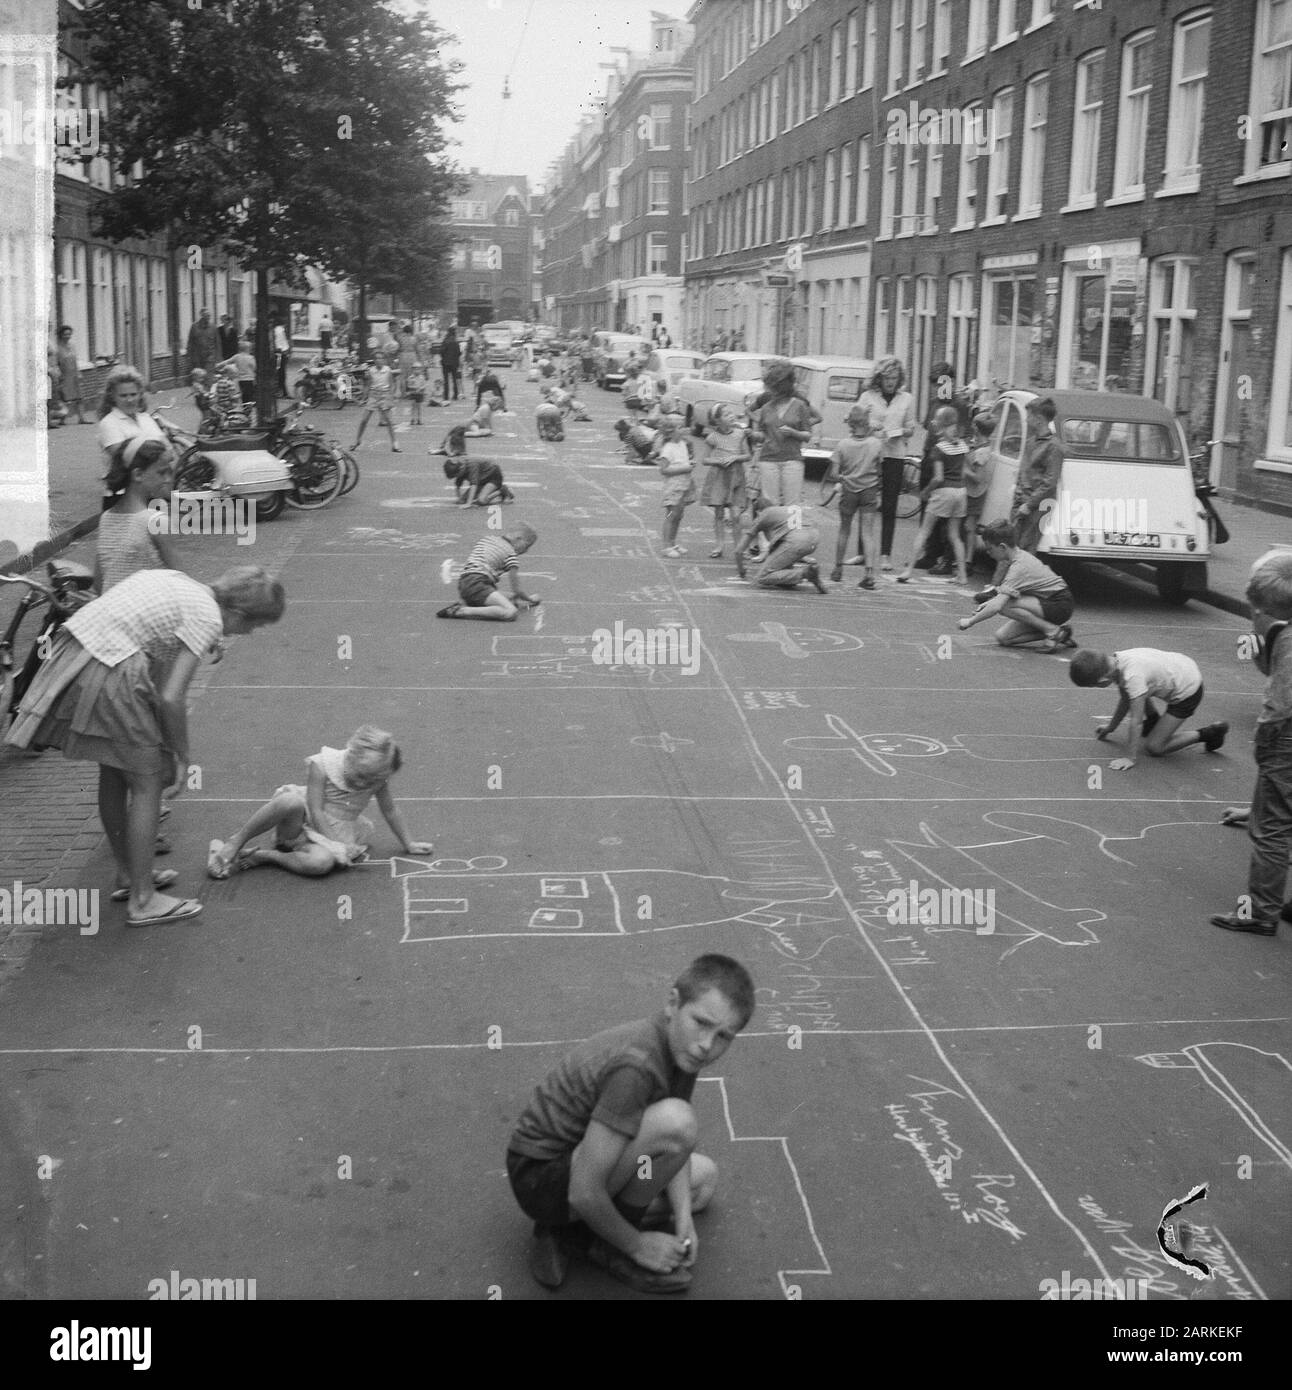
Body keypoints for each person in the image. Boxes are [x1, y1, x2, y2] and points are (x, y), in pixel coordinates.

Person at [3, 566, 285, 926]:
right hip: (112, 669)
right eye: (254, 625)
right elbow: (171, 698)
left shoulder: (188, 584)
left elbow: (157, 623)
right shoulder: (208, 618)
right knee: (148, 782)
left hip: (82, 654)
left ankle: (128, 875)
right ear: (240, 613)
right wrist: (182, 754)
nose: (248, 633)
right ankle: (143, 899)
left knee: (115, 771)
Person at [506, 954, 755, 1294]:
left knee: (702, 1184)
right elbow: (583, 1190)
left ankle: (580, 1232)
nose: (707, 1045)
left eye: (724, 1036)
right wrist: (638, 1245)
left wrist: (683, 1221)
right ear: (672, 1004)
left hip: (600, 1159)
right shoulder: (636, 1067)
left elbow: (672, 1152)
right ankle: (604, 1241)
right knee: (677, 1123)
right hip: (544, 1179)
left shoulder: (681, 1049)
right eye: (701, 1022)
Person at [206, 725, 432, 879]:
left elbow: (390, 811)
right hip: (301, 822)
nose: (365, 784)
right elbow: (314, 810)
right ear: (350, 754)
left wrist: (408, 843)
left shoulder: (376, 779)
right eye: (362, 776)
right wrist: (335, 845)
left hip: (328, 835)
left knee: (321, 864)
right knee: (290, 801)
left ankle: (264, 856)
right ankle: (236, 842)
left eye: (373, 780)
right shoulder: (323, 764)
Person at [1211, 551, 1292, 935]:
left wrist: (1265, 740)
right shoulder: (1280, 632)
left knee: (1272, 829)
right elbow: (1267, 665)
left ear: (1263, 610)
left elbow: (1281, 703)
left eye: (1253, 610)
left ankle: (1261, 913)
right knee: (1274, 811)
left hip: (1286, 734)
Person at [1068, 646, 1228, 771]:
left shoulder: (1132, 676)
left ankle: (1209, 733)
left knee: (1155, 747)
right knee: (1135, 694)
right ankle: (1153, 721)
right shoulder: (1118, 660)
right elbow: (1126, 698)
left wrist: (1130, 758)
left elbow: (1136, 721)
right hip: (1181, 667)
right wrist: (1111, 728)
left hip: (1188, 691)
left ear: (1102, 681)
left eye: (1094, 685)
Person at [958, 519, 1076, 652]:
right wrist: (989, 603)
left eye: (990, 549)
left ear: (1002, 547)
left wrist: (970, 621)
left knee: (1004, 605)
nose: (988, 553)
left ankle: (1052, 631)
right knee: (1003, 638)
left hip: (1059, 602)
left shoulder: (1019, 566)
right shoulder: (1017, 558)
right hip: (1047, 602)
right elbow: (1008, 595)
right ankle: (1061, 632)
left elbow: (998, 605)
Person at [96, 438, 182, 592]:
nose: (167, 479)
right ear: (138, 474)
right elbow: (182, 581)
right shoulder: (155, 521)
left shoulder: (106, 517)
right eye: (161, 472)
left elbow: (98, 583)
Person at [897, 406, 969, 586]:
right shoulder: (963, 446)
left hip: (943, 492)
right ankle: (962, 574)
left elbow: (938, 477)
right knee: (955, 535)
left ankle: (909, 570)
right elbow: (965, 472)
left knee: (924, 531)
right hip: (961, 492)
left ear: (940, 427)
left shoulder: (938, 449)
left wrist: (926, 491)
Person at [857, 357, 917, 572]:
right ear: (879, 378)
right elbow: (856, 421)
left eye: (894, 378)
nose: (891, 382)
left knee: (890, 504)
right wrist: (870, 424)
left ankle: (885, 555)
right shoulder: (867, 396)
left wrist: (899, 431)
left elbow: (911, 427)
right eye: (887, 378)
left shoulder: (906, 399)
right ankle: (861, 552)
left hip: (895, 453)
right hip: (871, 452)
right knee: (866, 500)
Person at [825, 404, 882, 587]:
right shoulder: (875, 444)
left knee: (844, 529)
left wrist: (843, 477)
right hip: (869, 489)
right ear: (867, 423)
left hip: (849, 489)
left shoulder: (842, 445)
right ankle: (869, 574)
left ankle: (838, 568)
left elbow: (833, 474)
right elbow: (880, 469)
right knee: (868, 532)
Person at [749, 360, 818, 507]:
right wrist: (753, 435)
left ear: (785, 387)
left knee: (793, 504)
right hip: (768, 459)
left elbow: (807, 435)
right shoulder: (766, 407)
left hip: (792, 459)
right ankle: (773, 530)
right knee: (769, 503)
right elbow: (763, 434)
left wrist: (794, 433)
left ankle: (794, 530)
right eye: (771, 388)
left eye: (775, 389)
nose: (771, 393)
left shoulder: (800, 406)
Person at [437, 523, 539, 621]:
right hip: (478, 584)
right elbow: (517, 590)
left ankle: (468, 603)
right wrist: (529, 599)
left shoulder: (488, 539)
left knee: (512, 598)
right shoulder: (511, 556)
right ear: (519, 538)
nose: (526, 551)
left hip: (464, 583)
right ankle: (464, 610)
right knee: (511, 612)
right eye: (527, 545)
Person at [97, 367, 169, 496]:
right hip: (123, 493)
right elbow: (125, 459)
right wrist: (157, 451)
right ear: (112, 397)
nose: (129, 400)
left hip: (154, 490)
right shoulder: (109, 423)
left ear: (140, 394)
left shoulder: (146, 418)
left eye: (133, 394)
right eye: (123, 395)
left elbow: (169, 452)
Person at [735, 499, 827, 592]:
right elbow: (775, 544)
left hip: (796, 541)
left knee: (763, 577)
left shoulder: (765, 514)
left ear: (758, 512)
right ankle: (797, 576)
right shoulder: (783, 511)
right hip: (813, 538)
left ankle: (806, 573)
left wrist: (741, 570)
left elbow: (738, 551)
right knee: (781, 574)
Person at [1012, 397, 1064, 553]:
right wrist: (1019, 496)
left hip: (1038, 505)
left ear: (1039, 419)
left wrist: (1029, 504)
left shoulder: (1054, 447)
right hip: (1022, 500)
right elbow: (1024, 471)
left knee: (1026, 548)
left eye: (1029, 416)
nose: (1027, 420)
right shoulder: (1030, 442)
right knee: (1013, 546)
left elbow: (1050, 482)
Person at [698, 404, 749, 560]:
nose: (731, 416)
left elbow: (748, 456)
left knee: (735, 514)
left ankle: (739, 547)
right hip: (719, 476)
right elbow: (705, 460)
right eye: (726, 415)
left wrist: (734, 457)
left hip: (736, 477)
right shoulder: (712, 437)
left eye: (731, 413)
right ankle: (719, 545)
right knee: (719, 513)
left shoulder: (740, 434)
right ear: (717, 420)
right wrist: (719, 461)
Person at [653, 414, 696, 559]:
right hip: (673, 487)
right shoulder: (668, 448)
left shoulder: (682, 444)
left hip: (684, 484)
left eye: (684, 426)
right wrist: (685, 468)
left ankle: (672, 542)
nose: (684, 429)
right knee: (671, 515)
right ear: (670, 431)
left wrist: (689, 464)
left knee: (679, 515)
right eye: (680, 427)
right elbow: (663, 470)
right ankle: (666, 546)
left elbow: (684, 460)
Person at [961, 412, 996, 569]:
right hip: (972, 491)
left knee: (969, 527)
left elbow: (978, 477)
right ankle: (966, 558)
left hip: (975, 492)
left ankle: (968, 560)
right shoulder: (980, 446)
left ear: (976, 427)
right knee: (968, 526)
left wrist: (964, 469)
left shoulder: (982, 453)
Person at [349, 351, 401, 452]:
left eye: (381, 358)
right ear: (374, 360)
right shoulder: (371, 371)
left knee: (389, 421)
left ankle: (395, 444)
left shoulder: (388, 370)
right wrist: (363, 399)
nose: (379, 360)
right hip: (373, 395)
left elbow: (392, 384)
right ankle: (357, 441)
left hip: (384, 395)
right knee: (364, 420)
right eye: (376, 358)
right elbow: (368, 385)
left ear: (384, 360)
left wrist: (391, 396)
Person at [55, 326, 87, 424]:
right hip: (64, 374)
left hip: (74, 374)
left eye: (69, 334)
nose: (68, 336)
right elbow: (56, 363)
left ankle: (82, 418)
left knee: (80, 397)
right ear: (60, 335)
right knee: (65, 398)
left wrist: (78, 372)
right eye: (65, 334)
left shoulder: (72, 345)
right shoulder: (57, 348)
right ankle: (62, 419)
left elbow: (75, 360)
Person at [209, 361, 249, 431]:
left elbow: (218, 393)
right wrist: (239, 395)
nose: (236, 376)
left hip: (220, 402)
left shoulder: (219, 381)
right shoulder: (230, 383)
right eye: (234, 374)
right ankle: (226, 427)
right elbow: (231, 397)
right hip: (228, 403)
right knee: (244, 410)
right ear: (229, 374)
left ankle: (222, 424)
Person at [221, 341, 258, 409]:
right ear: (248, 349)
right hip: (249, 379)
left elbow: (227, 361)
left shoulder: (237, 356)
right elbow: (255, 367)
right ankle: (248, 410)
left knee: (243, 395)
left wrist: (218, 365)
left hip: (240, 380)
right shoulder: (251, 358)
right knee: (249, 396)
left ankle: (244, 408)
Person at [186, 310, 218, 375]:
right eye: (207, 316)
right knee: (199, 375)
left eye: (209, 316)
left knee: (209, 375)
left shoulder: (213, 327)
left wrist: (217, 357)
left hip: (209, 356)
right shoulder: (194, 326)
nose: (208, 318)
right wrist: (189, 355)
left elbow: (217, 343)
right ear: (202, 316)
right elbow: (190, 342)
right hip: (197, 356)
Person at [439, 327, 462, 400]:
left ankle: (446, 396)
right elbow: (459, 353)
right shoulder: (456, 341)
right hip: (454, 363)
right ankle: (455, 395)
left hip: (445, 362)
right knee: (454, 379)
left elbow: (441, 351)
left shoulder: (445, 341)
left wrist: (444, 357)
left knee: (446, 380)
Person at [272, 318, 291, 398]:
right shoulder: (280, 330)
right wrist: (284, 351)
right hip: (280, 354)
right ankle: (282, 392)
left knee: (280, 373)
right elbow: (280, 342)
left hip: (280, 353)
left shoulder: (277, 330)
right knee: (281, 373)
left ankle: (283, 391)